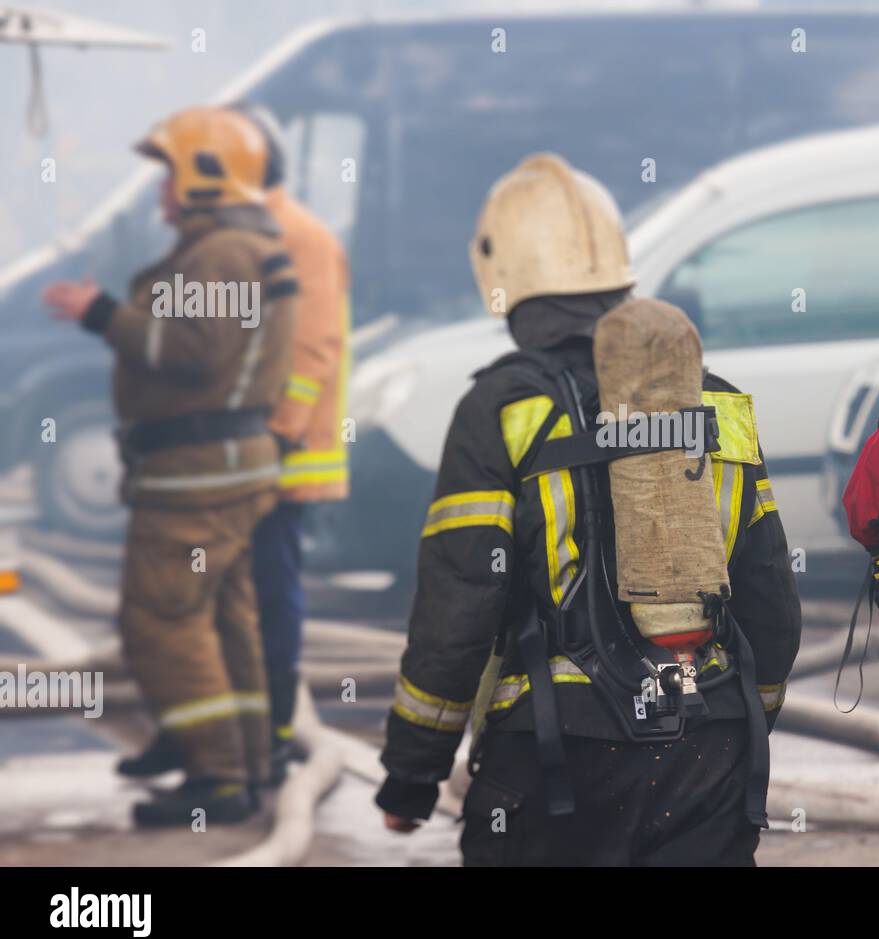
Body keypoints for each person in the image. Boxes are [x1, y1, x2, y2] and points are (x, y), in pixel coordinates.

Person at [373, 153, 801, 865]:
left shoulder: (501, 409)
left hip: (555, 760)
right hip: (706, 747)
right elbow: (769, 595)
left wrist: (412, 774)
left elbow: (459, 609)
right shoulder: (713, 396)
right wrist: (744, 717)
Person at [43, 106, 299, 826]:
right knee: (224, 620)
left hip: (196, 481)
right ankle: (246, 761)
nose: (159, 192)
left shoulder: (220, 255)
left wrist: (100, 312)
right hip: (227, 473)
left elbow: (190, 352)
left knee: (163, 621)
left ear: (206, 176)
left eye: (169, 174)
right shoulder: (241, 248)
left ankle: (216, 775)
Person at [235, 103, 352, 783]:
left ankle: (274, 731)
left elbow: (311, 348)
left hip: (279, 459)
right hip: (246, 457)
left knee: (270, 591)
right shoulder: (248, 232)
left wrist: (273, 434)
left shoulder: (297, 235)